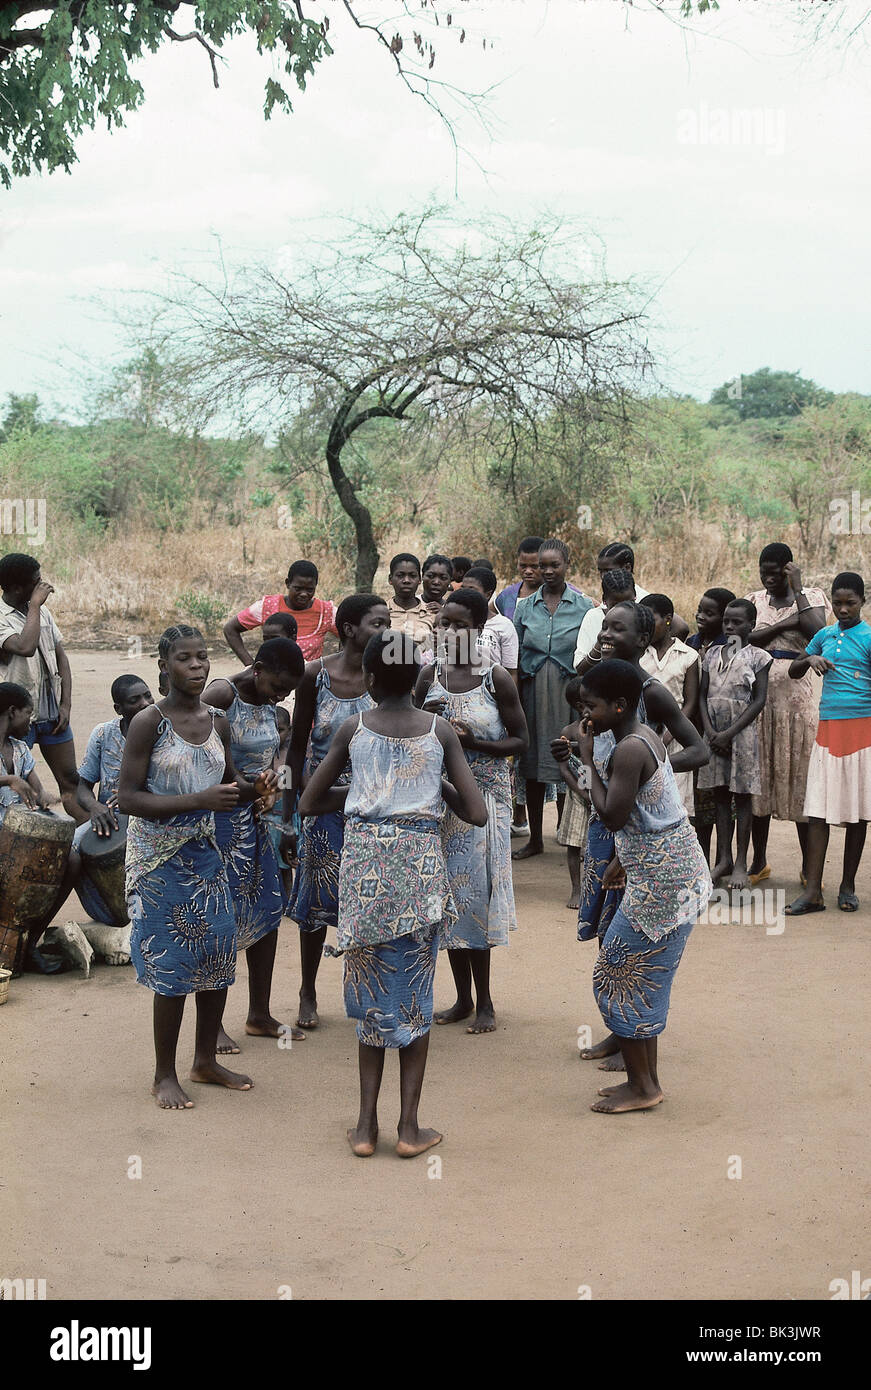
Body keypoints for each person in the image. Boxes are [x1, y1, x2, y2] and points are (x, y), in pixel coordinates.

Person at [299, 630, 486, 1157]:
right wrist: (431, 785)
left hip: (363, 877)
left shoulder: (351, 728)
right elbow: (476, 812)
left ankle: (364, 1129)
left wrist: (365, 790)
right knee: (414, 999)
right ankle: (409, 1129)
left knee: (369, 996)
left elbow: (312, 802)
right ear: (420, 679)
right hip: (417, 875)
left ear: (373, 679)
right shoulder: (441, 731)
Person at [118, 624, 272, 1110]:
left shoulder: (216, 721)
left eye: (203, 657)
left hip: (207, 855)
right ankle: (164, 1073)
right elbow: (127, 798)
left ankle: (204, 1060)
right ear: (163, 666)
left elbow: (230, 785)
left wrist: (258, 787)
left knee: (217, 955)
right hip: (160, 859)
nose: (197, 667)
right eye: (185, 659)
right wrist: (198, 800)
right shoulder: (150, 722)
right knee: (174, 965)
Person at [554, 659, 712, 1113]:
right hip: (662, 870)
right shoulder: (640, 736)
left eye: (591, 706)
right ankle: (645, 1080)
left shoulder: (627, 748)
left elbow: (609, 814)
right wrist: (623, 859)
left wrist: (582, 757)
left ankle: (644, 1086)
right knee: (638, 975)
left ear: (620, 705)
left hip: (666, 880)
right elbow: (640, 809)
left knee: (618, 973)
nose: (585, 716)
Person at [415, 588, 528, 1034]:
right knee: (448, 902)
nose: (449, 631)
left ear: (479, 628)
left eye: (459, 623)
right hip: (442, 802)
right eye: (444, 622)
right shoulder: (430, 676)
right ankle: (461, 998)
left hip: (485, 803)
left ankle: (485, 1002)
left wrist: (472, 742)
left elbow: (520, 741)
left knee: (476, 900)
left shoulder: (494, 677)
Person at [285, 595, 391, 1030]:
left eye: (387, 622)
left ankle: (365, 989)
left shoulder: (388, 677)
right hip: (323, 804)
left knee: (369, 898)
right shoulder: (316, 675)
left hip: (372, 804)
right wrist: (288, 814)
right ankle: (307, 990)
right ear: (348, 629)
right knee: (315, 901)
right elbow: (296, 746)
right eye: (375, 622)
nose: (384, 630)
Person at [203, 636, 306, 1049]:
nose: (281, 695)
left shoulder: (268, 703)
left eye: (288, 691)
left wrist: (281, 814)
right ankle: (211, 1025)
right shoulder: (222, 694)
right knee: (222, 920)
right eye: (278, 686)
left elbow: (276, 759)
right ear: (258, 669)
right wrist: (249, 789)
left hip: (258, 818)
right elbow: (204, 758)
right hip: (219, 820)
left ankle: (259, 1013)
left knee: (267, 910)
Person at [785, 573, 871, 916]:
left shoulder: (868, 637)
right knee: (817, 811)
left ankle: (847, 885)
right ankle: (813, 891)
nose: (843, 609)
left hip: (861, 732)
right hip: (828, 731)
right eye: (837, 603)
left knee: (857, 813)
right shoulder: (824, 634)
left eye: (850, 603)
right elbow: (793, 670)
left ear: (863, 601)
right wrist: (809, 659)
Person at [744, 543, 830, 886]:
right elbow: (745, 636)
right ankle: (759, 861)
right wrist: (784, 626)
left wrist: (797, 592)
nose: (768, 577)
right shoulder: (753, 600)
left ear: (789, 569)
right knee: (759, 780)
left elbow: (817, 631)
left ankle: (811, 868)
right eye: (763, 569)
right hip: (760, 700)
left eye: (776, 571)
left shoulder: (811, 596)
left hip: (799, 702)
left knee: (801, 779)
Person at [512, 539, 593, 859]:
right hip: (533, 692)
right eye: (542, 565)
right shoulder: (524, 607)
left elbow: (589, 652)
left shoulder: (584, 606)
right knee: (532, 764)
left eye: (553, 565)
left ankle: (570, 832)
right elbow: (515, 657)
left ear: (566, 565)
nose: (546, 571)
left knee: (574, 756)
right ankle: (535, 838)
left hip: (570, 693)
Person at [0, 681, 83, 973]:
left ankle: (28, 943)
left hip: (18, 840)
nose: (31, 721)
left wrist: (49, 798)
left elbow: (38, 792)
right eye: (28, 713)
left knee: (71, 860)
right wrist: (9, 780)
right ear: (11, 712)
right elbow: (15, 783)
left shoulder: (20, 749)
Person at [0, 553, 85, 824]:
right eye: (35, 583)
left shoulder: (40, 611)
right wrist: (35, 606)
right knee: (18, 787)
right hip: (17, 716)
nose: (42, 586)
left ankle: (89, 842)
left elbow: (61, 658)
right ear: (15, 588)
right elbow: (24, 646)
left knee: (71, 779)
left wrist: (66, 704)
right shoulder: (5, 617)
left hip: (51, 713)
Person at [697, 600, 771, 889]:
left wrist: (729, 733)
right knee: (719, 795)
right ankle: (723, 860)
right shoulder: (711, 654)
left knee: (741, 797)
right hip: (713, 733)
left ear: (751, 624)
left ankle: (741, 862)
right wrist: (711, 732)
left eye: (737, 622)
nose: (729, 626)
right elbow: (703, 696)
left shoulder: (758, 657)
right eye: (727, 621)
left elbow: (759, 700)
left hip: (741, 735)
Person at [73, 674, 154, 927]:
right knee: (71, 850)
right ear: (119, 709)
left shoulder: (162, 731)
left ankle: (141, 917)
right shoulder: (103, 734)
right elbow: (82, 787)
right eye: (134, 700)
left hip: (149, 817)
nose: (144, 703)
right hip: (108, 821)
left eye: (147, 695)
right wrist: (95, 807)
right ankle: (105, 912)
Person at [686, 587, 737, 861]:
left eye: (709, 613)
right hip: (694, 731)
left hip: (720, 733)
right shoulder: (691, 642)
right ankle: (702, 859)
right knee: (700, 802)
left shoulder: (729, 648)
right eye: (699, 610)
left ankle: (723, 860)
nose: (701, 616)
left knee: (723, 800)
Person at [639, 594, 700, 815]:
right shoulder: (638, 654)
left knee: (676, 798)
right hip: (642, 731)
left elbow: (690, 703)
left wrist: (667, 736)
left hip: (676, 736)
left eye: (651, 620)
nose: (645, 627)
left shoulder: (688, 656)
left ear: (667, 619)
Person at [223, 560, 336, 664]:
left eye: (310, 590)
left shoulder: (326, 611)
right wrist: (250, 665)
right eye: (298, 588)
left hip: (310, 683)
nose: (304, 594)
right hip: (273, 682)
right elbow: (230, 629)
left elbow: (349, 635)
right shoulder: (268, 607)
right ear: (287, 583)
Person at [555, 677, 591, 910]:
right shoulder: (568, 732)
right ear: (580, 706)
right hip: (577, 795)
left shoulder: (602, 730)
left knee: (598, 845)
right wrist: (582, 792)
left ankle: (592, 887)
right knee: (574, 844)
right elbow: (563, 768)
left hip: (602, 794)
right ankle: (577, 888)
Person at [574, 568, 637, 675]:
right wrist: (601, 643)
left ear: (635, 596)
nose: (622, 611)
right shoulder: (594, 617)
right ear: (604, 600)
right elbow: (580, 669)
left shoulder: (641, 617)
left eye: (628, 603)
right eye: (615, 606)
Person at [462, 566, 519, 679]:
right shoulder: (454, 621)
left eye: (472, 590)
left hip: (490, 690)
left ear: (488, 594)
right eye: (463, 589)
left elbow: (511, 672)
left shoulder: (504, 626)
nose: (466, 594)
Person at [385, 553, 435, 647]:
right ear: (390, 579)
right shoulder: (382, 612)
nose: (406, 580)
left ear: (419, 579)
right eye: (400, 575)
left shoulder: (432, 614)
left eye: (412, 576)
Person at [495, 538, 544, 621]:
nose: (528, 571)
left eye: (534, 566)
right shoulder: (507, 595)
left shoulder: (566, 594)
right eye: (523, 566)